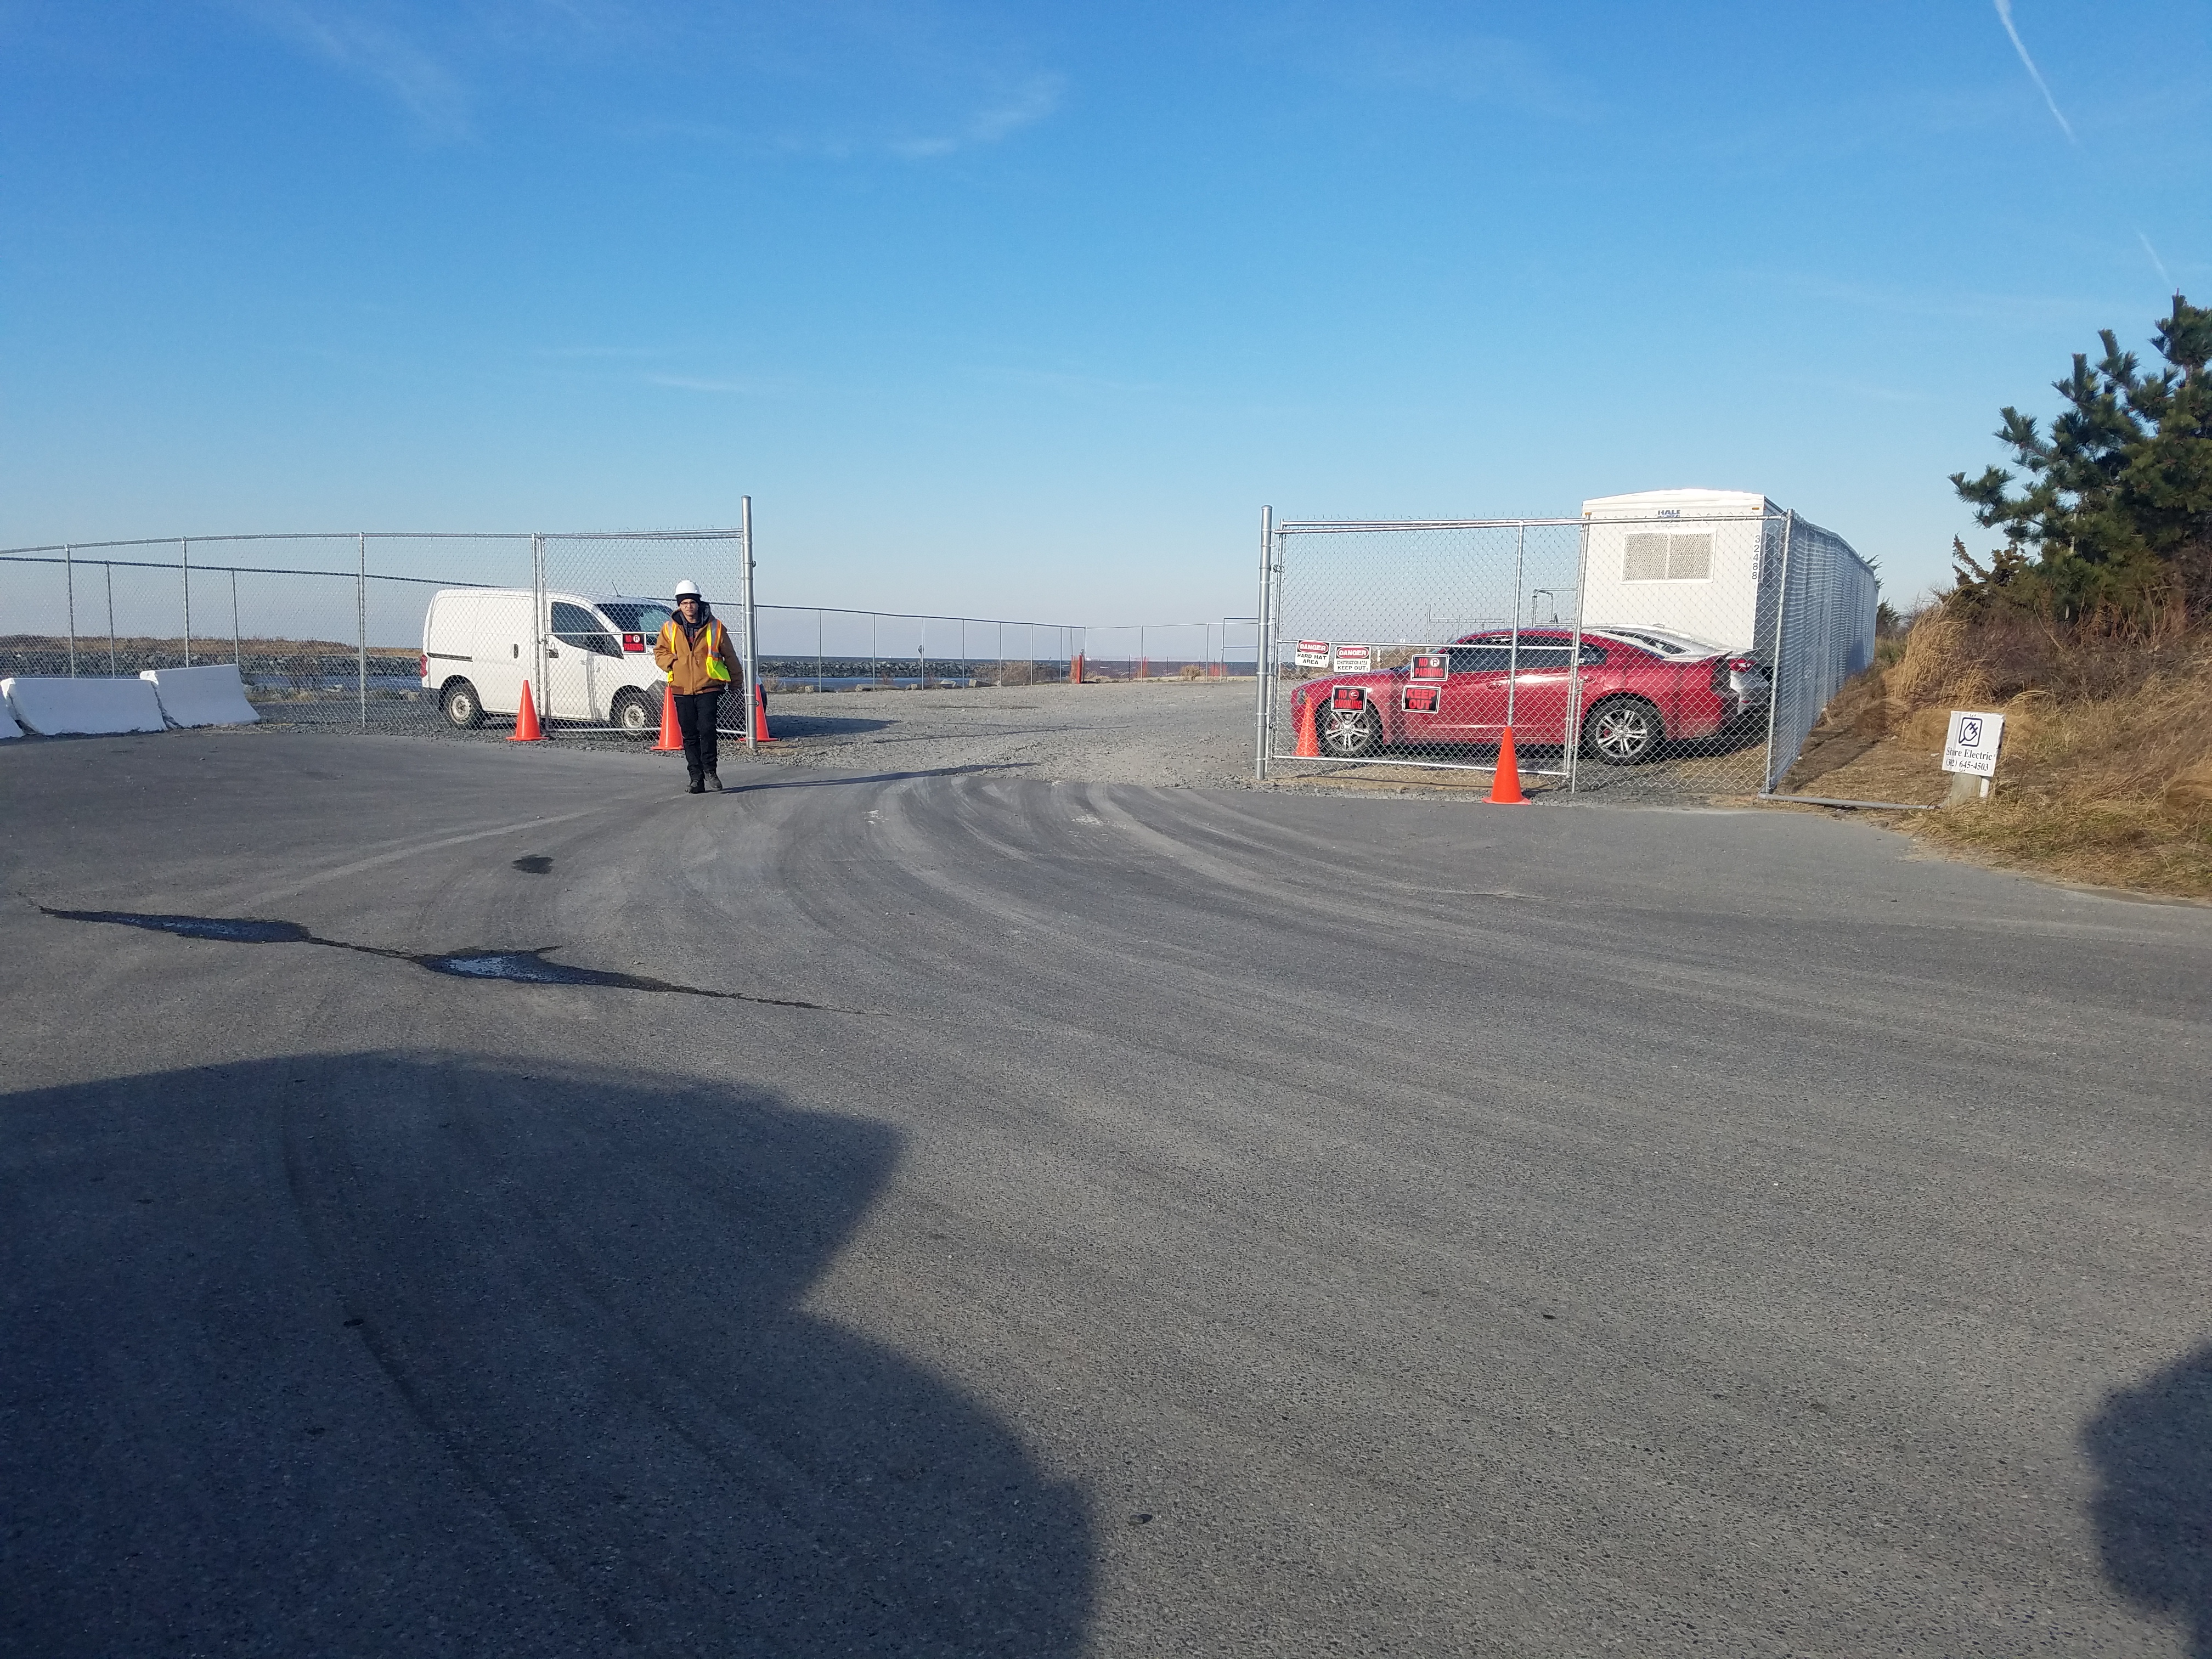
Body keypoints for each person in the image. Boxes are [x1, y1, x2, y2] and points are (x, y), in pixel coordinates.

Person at [652, 580, 742, 793]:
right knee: (689, 735)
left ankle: (711, 771)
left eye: (692, 602)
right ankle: (696, 779)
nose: (689, 607)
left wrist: (736, 681)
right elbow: (660, 652)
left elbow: (730, 655)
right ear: (679, 605)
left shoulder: (715, 626)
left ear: (698, 603)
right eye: (684, 603)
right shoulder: (669, 628)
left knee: (708, 730)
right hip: (681, 688)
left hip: (708, 686)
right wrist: (673, 662)